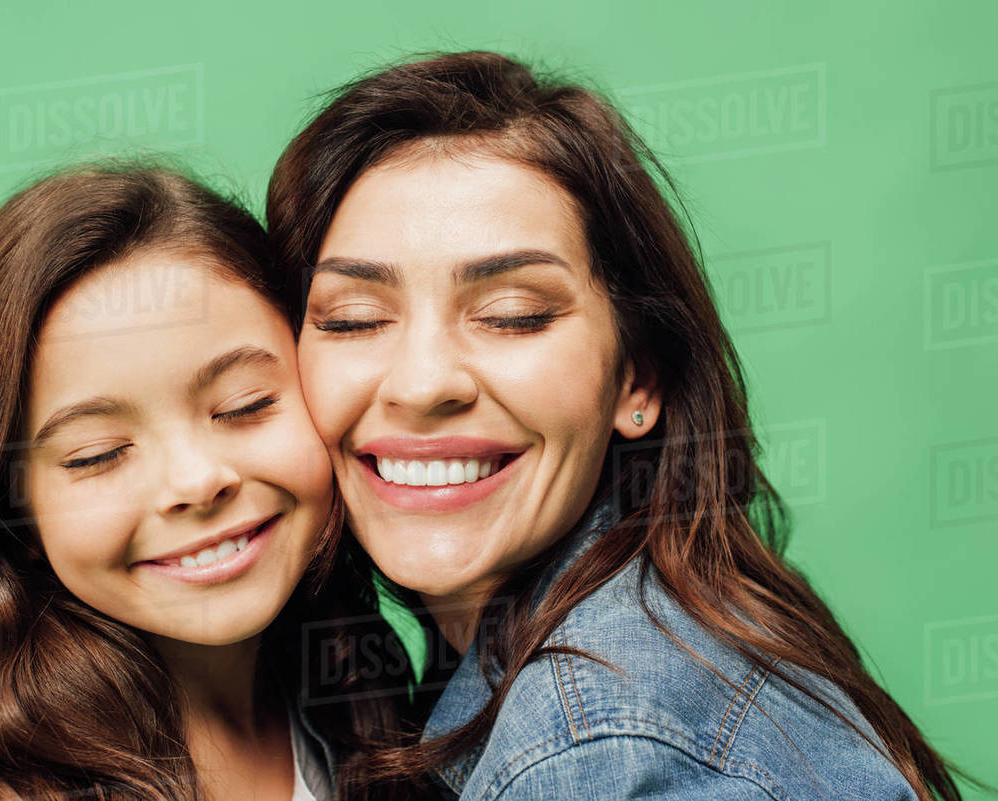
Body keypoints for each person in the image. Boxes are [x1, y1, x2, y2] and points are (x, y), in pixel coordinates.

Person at [266, 51, 967, 800]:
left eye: (514, 316)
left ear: (638, 378)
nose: (423, 383)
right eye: (353, 319)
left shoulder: (598, 748)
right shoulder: (633, 638)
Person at [0, 162, 393, 801]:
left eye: (243, 405)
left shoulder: (356, 701)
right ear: (15, 512)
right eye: (98, 454)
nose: (196, 482)